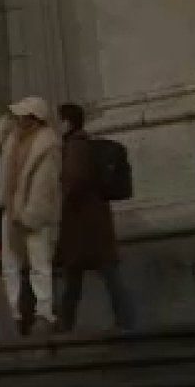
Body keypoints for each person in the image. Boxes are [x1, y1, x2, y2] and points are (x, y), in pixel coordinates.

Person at [0, 97, 62, 336]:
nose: (19, 120)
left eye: (23, 116)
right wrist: (3, 124)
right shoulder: (12, 137)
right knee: (10, 266)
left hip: (33, 213)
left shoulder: (48, 144)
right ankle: (12, 312)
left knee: (39, 264)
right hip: (10, 209)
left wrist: (30, 214)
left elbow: (45, 186)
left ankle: (44, 313)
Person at [54, 103, 133, 332]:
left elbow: (74, 180)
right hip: (91, 222)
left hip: (83, 223)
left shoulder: (75, 146)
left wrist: (61, 201)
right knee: (84, 276)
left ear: (67, 122)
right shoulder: (81, 143)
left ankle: (123, 319)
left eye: (58, 120)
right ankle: (66, 322)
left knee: (90, 275)